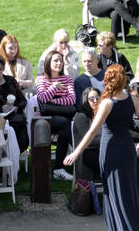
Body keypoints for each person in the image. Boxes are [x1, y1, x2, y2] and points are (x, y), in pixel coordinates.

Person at [65, 63, 139, 231]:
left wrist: (76, 152)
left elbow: (92, 131)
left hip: (111, 152)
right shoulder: (132, 100)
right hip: (127, 151)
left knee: (113, 194)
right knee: (128, 192)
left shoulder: (107, 103)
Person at [36, 50, 76, 181]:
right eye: (55, 60)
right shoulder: (41, 79)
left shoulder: (67, 79)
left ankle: (59, 169)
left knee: (64, 130)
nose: (59, 63)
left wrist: (54, 101)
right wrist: (54, 86)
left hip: (64, 118)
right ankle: (80, 154)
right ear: (48, 62)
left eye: (60, 60)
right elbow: (43, 97)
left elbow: (72, 100)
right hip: (46, 120)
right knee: (66, 124)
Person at [71, 86, 102, 182]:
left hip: (99, 152)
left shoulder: (101, 114)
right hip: (86, 155)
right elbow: (89, 142)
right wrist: (109, 139)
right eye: (91, 99)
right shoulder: (81, 117)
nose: (95, 101)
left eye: (98, 98)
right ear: (86, 100)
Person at [72, 45, 106, 113]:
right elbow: (79, 105)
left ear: (97, 60)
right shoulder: (79, 81)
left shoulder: (107, 75)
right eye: (84, 61)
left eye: (89, 61)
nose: (86, 64)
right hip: (88, 115)